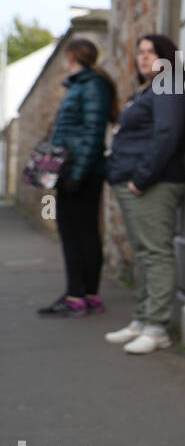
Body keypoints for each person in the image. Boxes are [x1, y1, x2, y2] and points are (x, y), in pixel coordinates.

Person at [103, 34, 185, 354]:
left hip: (154, 183)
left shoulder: (170, 84)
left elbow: (168, 134)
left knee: (156, 254)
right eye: (140, 52)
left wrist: (141, 178)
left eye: (151, 51)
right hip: (135, 181)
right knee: (144, 253)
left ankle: (157, 328)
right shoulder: (149, 89)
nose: (144, 57)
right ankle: (142, 320)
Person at [37, 38, 117, 317]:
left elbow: (94, 134)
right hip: (75, 169)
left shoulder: (91, 85)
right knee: (81, 232)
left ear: (70, 55)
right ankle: (85, 295)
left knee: (75, 233)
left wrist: (76, 175)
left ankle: (77, 296)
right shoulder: (84, 84)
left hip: (80, 171)